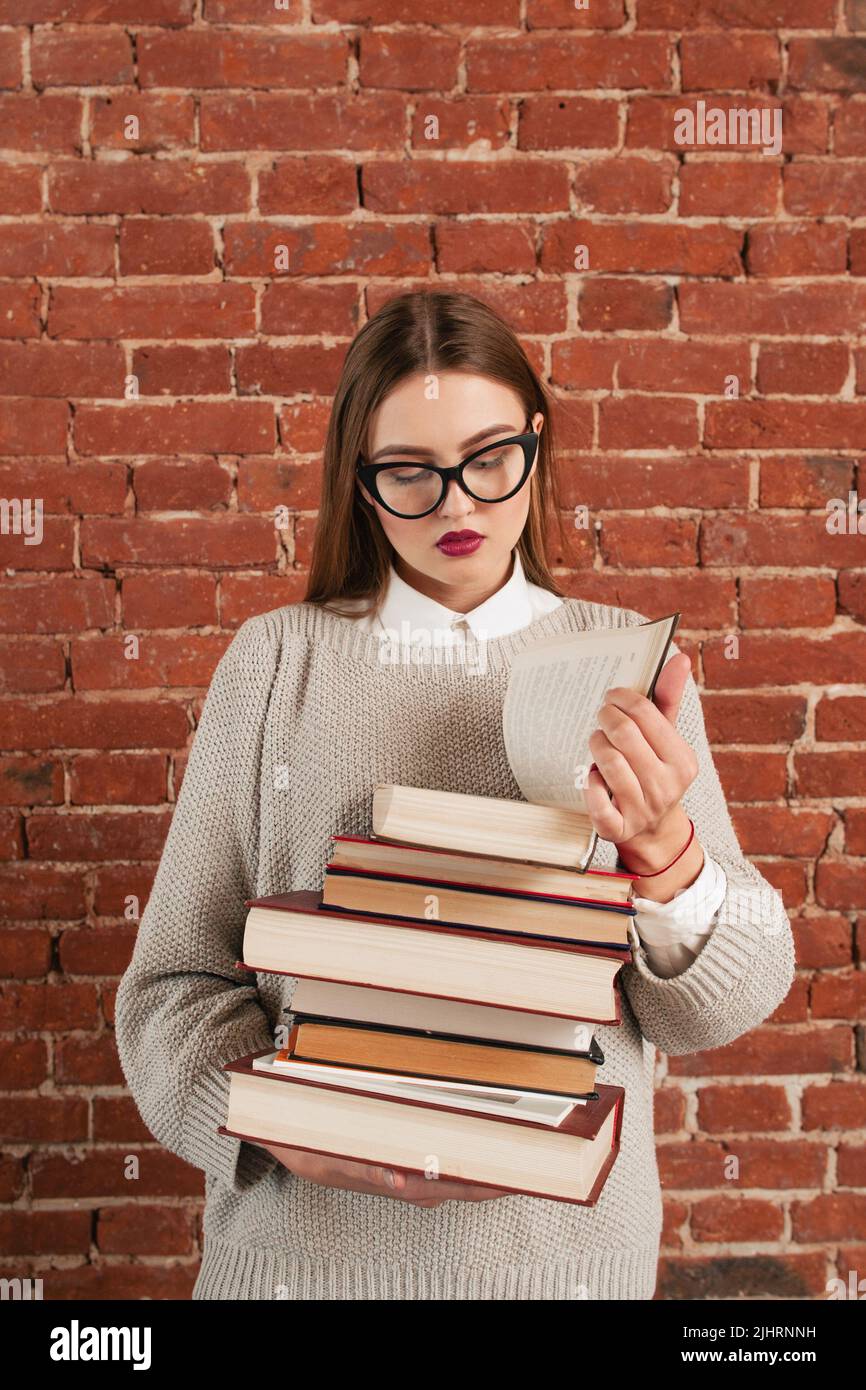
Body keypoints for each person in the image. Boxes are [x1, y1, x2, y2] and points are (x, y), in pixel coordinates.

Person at [114, 289, 795, 1301]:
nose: (458, 505)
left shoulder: (623, 663)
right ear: (359, 481)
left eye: (488, 459)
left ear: (535, 442)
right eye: (409, 473)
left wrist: (665, 856)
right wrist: (279, 1123)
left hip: (560, 1273)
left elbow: (719, 1006)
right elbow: (170, 990)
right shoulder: (274, 664)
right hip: (305, 1268)